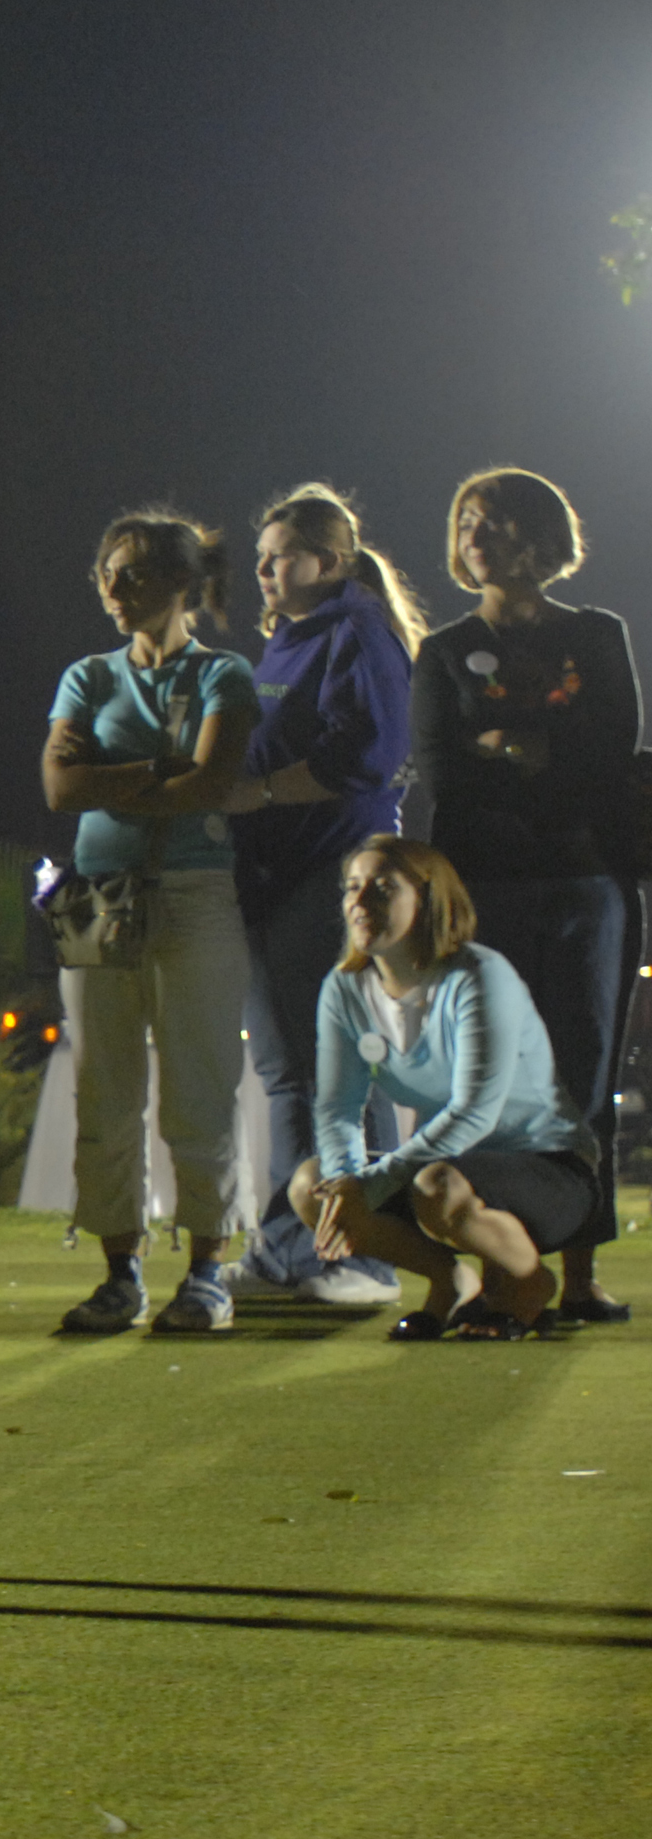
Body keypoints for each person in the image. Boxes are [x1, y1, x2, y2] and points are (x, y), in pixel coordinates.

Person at [410, 468, 641, 1323]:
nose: (477, 532)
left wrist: (511, 748)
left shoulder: (599, 635)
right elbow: (444, 772)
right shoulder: (441, 651)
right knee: (490, 1082)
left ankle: (578, 1275)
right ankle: (502, 1270)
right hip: (487, 890)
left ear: (542, 539)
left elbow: (613, 748)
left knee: (583, 1080)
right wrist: (527, 756)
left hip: (589, 883)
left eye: (497, 520)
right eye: (466, 519)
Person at [41, 512, 259, 1334]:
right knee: (104, 1090)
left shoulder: (222, 673)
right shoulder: (87, 675)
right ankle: (119, 1270)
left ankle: (207, 1267)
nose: (115, 588)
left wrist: (109, 775)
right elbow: (60, 790)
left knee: (199, 1088)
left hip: (195, 892)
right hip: (100, 891)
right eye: (108, 572)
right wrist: (159, 769)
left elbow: (212, 786)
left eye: (132, 573)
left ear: (182, 582)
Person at [221, 484, 425, 1308]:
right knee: (297, 1070)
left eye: (282, 556)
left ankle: (348, 1256)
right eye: (261, 559)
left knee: (327, 1072)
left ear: (330, 561)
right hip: (277, 877)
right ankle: (299, 1250)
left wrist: (259, 794)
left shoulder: (356, 630)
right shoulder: (289, 640)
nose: (265, 571)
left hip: (331, 872)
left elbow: (364, 757)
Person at [294, 837, 595, 1341]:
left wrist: (368, 1186)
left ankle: (528, 1285)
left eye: (383, 888)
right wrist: (346, 1181)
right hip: (450, 1166)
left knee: (435, 1186)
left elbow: (475, 1112)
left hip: (549, 1166)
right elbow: (337, 1108)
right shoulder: (345, 987)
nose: (360, 902)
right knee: (312, 1186)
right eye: (352, 888)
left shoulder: (479, 976)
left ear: (428, 899)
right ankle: (452, 1282)